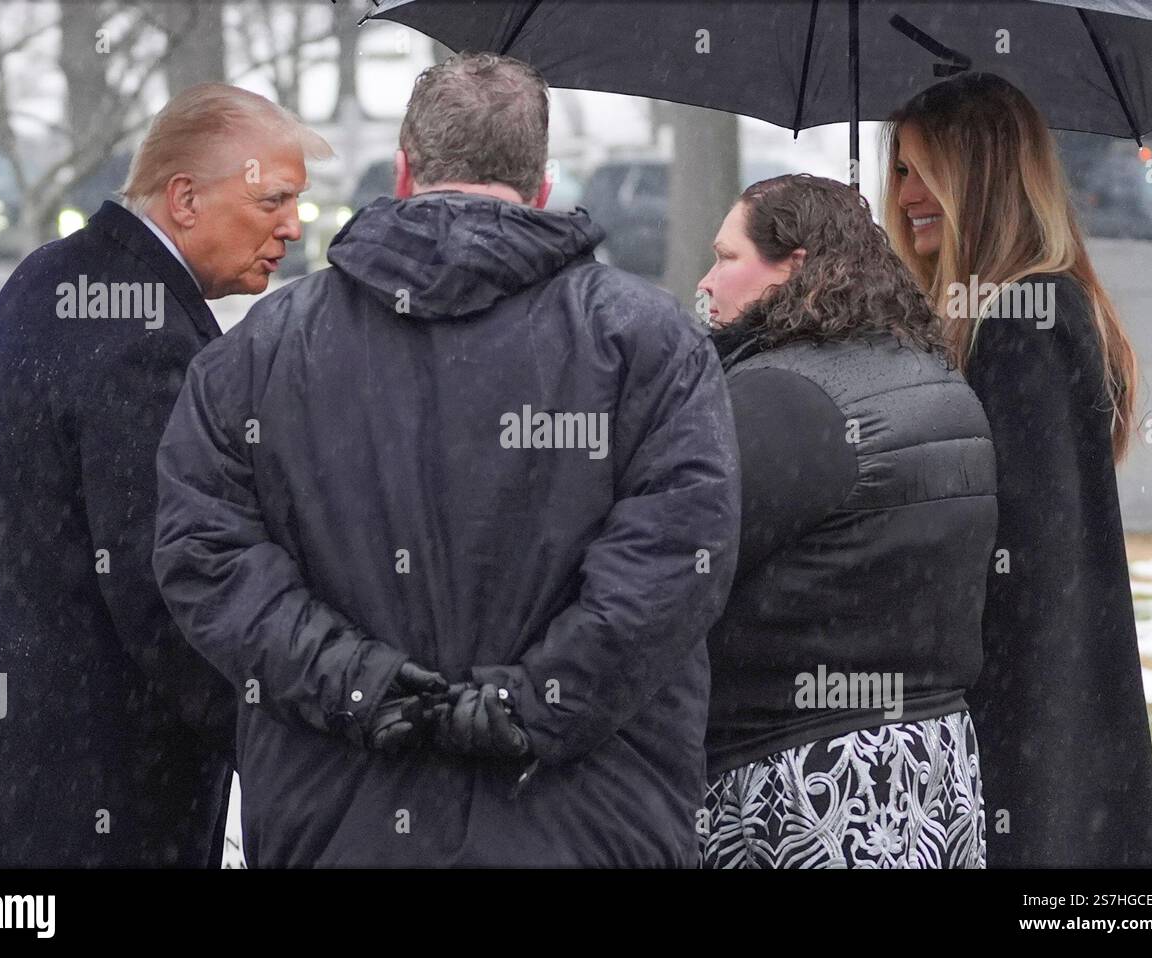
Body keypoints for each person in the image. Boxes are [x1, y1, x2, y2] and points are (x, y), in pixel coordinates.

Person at [151, 52, 741, 867]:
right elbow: (677, 564)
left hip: (338, 822)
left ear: (403, 170)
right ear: (539, 183)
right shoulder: (650, 343)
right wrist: (531, 706)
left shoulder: (255, 354)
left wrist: (360, 681)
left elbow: (206, 558)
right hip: (592, 822)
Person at [0, 84, 332, 866]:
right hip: (89, 796)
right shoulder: (144, 342)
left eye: (297, 202)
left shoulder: (51, 276)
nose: (293, 227)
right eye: (273, 199)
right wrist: (285, 748)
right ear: (185, 198)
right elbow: (171, 594)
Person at [882, 71, 1152, 868]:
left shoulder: (1019, 320)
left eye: (924, 169)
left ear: (984, 176)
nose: (904, 195)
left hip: (1021, 708)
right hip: (1051, 703)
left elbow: (1021, 550)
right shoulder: (1024, 306)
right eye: (898, 168)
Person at [698, 174, 997, 868]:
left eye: (727, 257)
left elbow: (685, 566)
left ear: (793, 267)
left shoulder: (781, 400)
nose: (707, 281)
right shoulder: (941, 382)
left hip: (801, 772)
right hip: (931, 760)